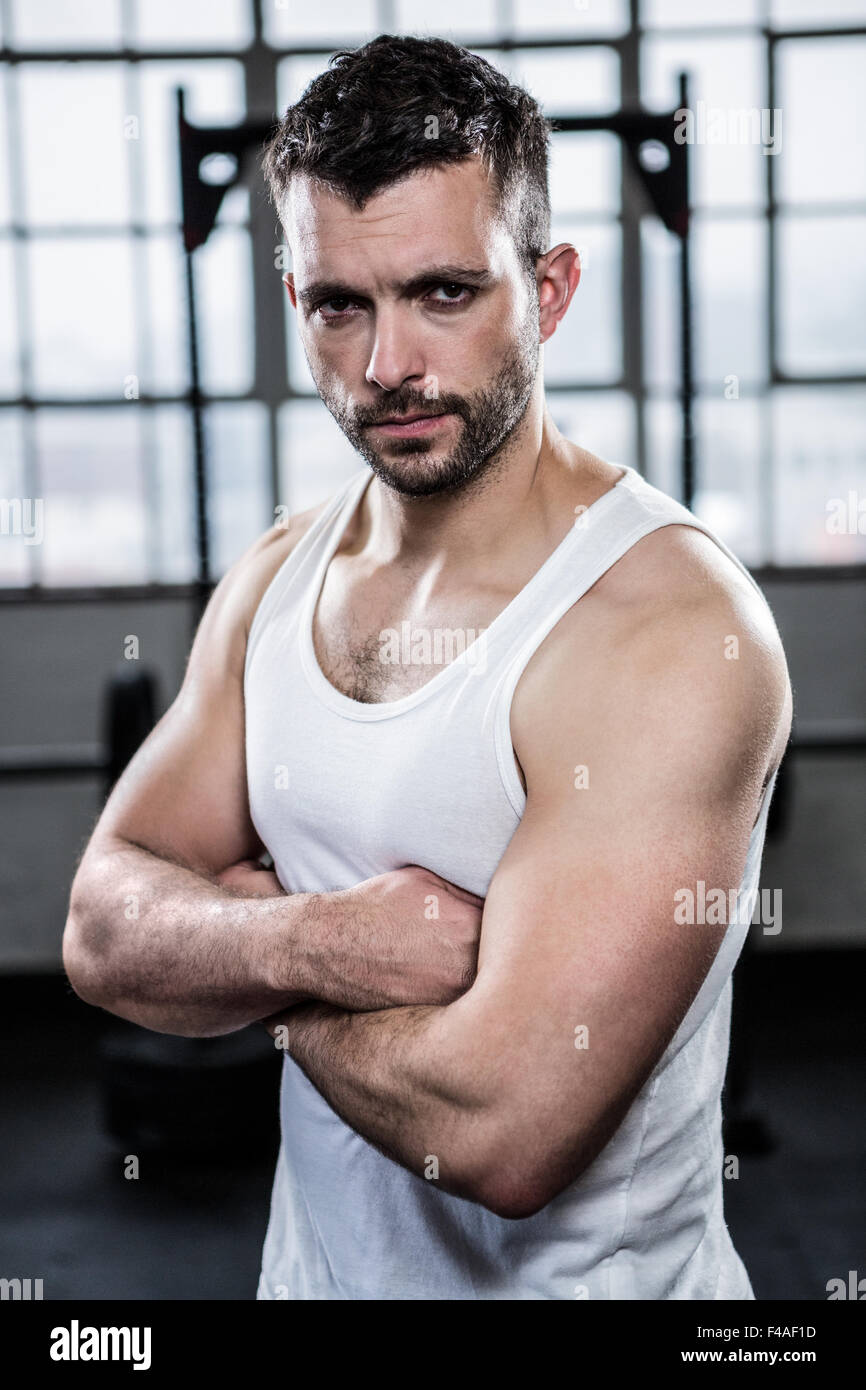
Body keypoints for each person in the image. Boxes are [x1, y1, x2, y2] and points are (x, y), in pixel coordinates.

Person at [64, 34, 792, 1300]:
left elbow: (504, 1132)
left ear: (549, 292)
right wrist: (327, 941)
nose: (387, 366)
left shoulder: (664, 628)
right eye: (339, 305)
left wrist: (250, 972)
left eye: (444, 294)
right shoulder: (279, 575)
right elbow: (102, 928)